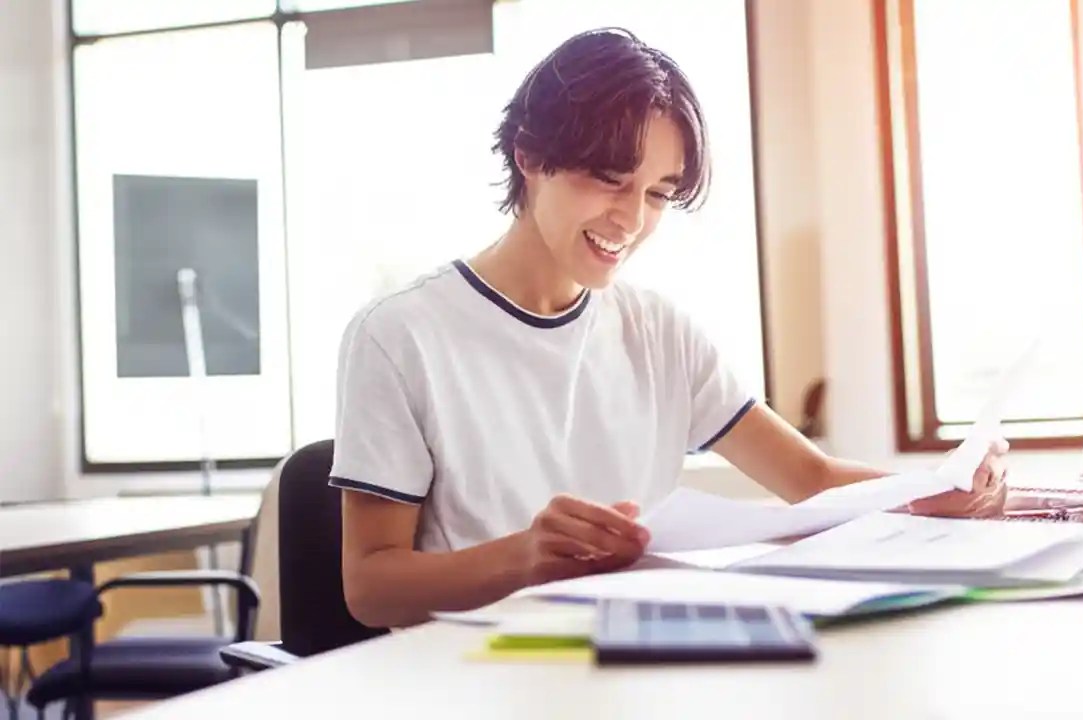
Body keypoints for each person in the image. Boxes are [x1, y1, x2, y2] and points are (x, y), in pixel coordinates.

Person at [329, 28, 1008, 629]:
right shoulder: (400, 336)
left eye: (657, 193)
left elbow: (812, 476)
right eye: (609, 179)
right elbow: (371, 589)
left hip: (633, 658)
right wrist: (526, 556)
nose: (631, 220)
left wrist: (943, 489)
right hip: (469, 676)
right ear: (530, 155)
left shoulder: (658, 331)